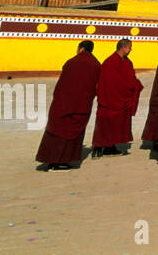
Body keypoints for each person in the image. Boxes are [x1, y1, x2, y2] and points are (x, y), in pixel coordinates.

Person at [36, 40, 100, 170]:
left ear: (81, 49)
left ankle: (52, 161)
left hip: (63, 103)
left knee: (58, 130)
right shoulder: (96, 64)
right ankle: (65, 159)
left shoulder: (71, 62)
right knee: (73, 133)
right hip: (82, 105)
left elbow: (61, 84)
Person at [92, 38, 143, 156]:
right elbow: (107, 82)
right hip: (110, 99)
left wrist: (135, 84)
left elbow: (129, 79)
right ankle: (100, 147)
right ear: (123, 48)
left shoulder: (127, 62)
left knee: (117, 124)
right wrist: (134, 84)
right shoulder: (110, 62)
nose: (131, 49)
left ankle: (111, 146)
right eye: (130, 47)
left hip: (121, 99)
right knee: (106, 123)